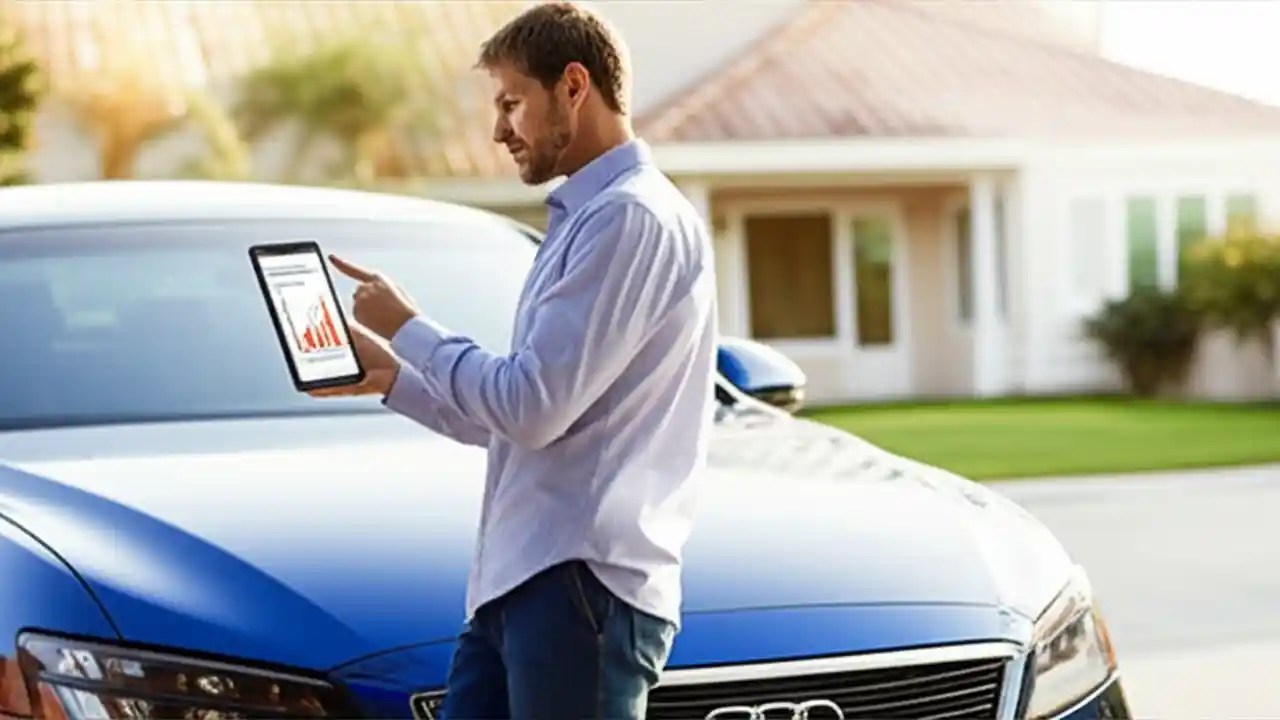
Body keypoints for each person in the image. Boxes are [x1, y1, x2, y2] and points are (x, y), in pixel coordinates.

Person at [310, 2, 718, 717]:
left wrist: (408, 326)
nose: (498, 130)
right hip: (524, 585)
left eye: (510, 103)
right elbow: (523, 416)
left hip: (581, 589)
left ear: (572, 86)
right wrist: (392, 378)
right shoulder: (588, 218)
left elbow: (530, 409)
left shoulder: (630, 218)